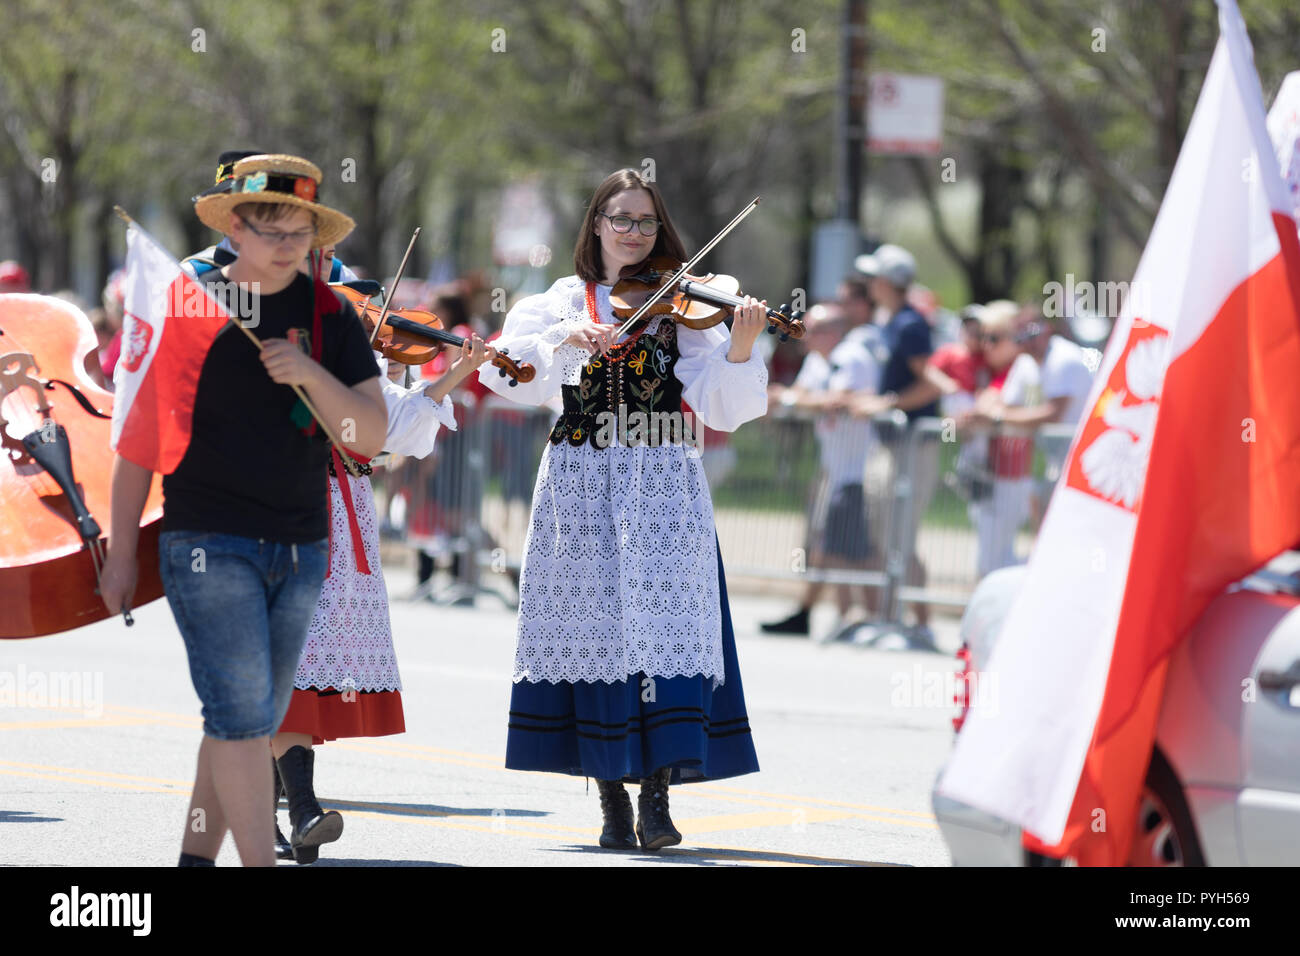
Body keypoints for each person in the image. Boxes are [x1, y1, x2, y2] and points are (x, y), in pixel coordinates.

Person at [100, 153, 386, 867]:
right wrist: (120, 550)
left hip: (301, 544)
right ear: (236, 226)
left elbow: (369, 435)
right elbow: (138, 437)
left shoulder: (333, 314)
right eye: (270, 227)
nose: (287, 243)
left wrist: (310, 373)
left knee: (244, 719)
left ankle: (195, 861)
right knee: (241, 719)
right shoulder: (188, 304)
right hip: (206, 540)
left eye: (301, 230)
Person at [477, 168, 768, 850]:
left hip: (661, 473)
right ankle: (610, 799)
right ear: (596, 225)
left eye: (647, 222)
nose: (635, 233)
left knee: (665, 625)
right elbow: (506, 377)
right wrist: (565, 343)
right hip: (580, 476)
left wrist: (745, 342)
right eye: (622, 219)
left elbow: (726, 402)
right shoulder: (553, 302)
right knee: (595, 629)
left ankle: (659, 799)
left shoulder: (683, 303)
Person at [272, 275, 493, 862]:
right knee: (289, 653)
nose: (370, 319)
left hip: (344, 513)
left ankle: (276, 804)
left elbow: (401, 426)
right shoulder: (279, 340)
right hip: (288, 505)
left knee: (312, 654)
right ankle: (301, 810)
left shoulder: (361, 363)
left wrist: (455, 371)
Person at [761, 302, 880, 640]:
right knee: (831, 545)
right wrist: (795, 398)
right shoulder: (816, 360)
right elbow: (805, 395)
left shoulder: (853, 356)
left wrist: (787, 400)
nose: (803, 335)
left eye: (811, 329)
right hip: (834, 467)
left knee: (852, 548)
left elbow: (834, 401)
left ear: (832, 332)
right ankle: (827, 614)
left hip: (860, 468)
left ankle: (863, 616)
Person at [850, 244, 940, 645]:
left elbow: (930, 383)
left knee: (901, 536)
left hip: (912, 446)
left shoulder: (909, 324)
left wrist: (886, 404)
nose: (870, 283)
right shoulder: (894, 321)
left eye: (875, 276)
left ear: (888, 282)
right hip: (894, 443)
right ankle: (891, 618)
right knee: (887, 534)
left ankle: (919, 625)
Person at [956, 301, 1034, 577]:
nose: (986, 345)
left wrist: (982, 411)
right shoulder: (993, 372)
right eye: (983, 337)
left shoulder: (1024, 368)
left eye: (994, 338)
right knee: (991, 562)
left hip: (1011, 476)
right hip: (993, 477)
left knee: (994, 565)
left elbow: (1004, 408)